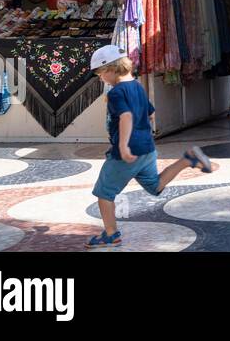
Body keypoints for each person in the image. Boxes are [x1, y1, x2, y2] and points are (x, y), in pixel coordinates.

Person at [87, 45, 215, 248]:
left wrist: (123, 145)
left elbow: (126, 117)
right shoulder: (137, 86)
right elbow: (150, 113)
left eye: (101, 73)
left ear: (112, 69)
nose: (101, 78)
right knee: (155, 186)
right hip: (147, 148)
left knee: (104, 193)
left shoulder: (117, 93)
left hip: (126, 152)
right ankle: (188, 159)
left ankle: (111, 234)